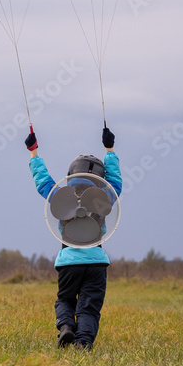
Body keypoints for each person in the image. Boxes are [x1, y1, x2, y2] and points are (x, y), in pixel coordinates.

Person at [25, 126, 122, 349]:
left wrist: (33, 151)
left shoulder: (60, 196)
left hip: (68, 261)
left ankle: (67, 326)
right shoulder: (105, 197)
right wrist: (110, 149)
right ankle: (83, 343)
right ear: (100, 178)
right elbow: (116, 182)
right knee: (89, 307)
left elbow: (42, 182)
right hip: (96, 261)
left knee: (65, 300)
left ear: (71, 174)